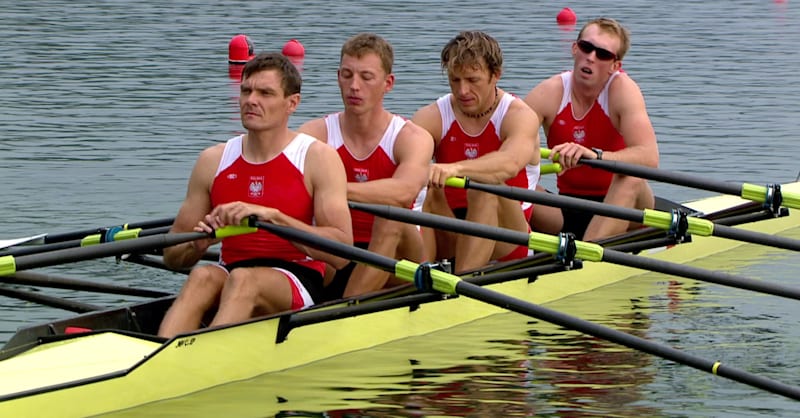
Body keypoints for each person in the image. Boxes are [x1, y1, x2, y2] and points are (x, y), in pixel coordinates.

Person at [158, 52, 353, 338]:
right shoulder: (213, 160)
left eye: (265, 93)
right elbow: (173, 257)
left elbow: (341, 251)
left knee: (243, 280)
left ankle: (200, 360)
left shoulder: (317, 158)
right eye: (246, 91)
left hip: (296, 276)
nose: (251, 100)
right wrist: (200, 243)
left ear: (292, 103)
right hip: (231, 269)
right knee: (201, 275)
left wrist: (274, 218)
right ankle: (158, 357)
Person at [298, 33, 433, 299]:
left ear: (388, 83)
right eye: (346, 75)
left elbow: (403, 192)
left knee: (390, 216)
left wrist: (331, 190)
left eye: (366, 77)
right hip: (337, 251)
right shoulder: (315, 133)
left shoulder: (411, 137)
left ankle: (343, 315)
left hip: (401, 259)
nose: (354, 86)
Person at [411, 31, 541, 274]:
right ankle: (420, 282)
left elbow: (510, 163)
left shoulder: (519, 116)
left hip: (509, 237)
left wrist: (455, 168)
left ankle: (461, 285)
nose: (462, 91)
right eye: (455, 80)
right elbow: (406, 165)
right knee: (423, 185)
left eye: (473, 80)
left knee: (484, 187)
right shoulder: (430, 117)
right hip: (452, 227)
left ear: (495, 75)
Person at [525, 17, 659, 241]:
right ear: (575, 49)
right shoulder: (549, 92)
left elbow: (649, 157)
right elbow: (506, 141)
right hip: (565, 205)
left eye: (603, 54)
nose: (591, 57)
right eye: (586, 48)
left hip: (625, 205)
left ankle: (587, 259)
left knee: (630, 176)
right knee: (504, 185)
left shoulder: (623, 90)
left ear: (615, 66)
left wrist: (595, 155)